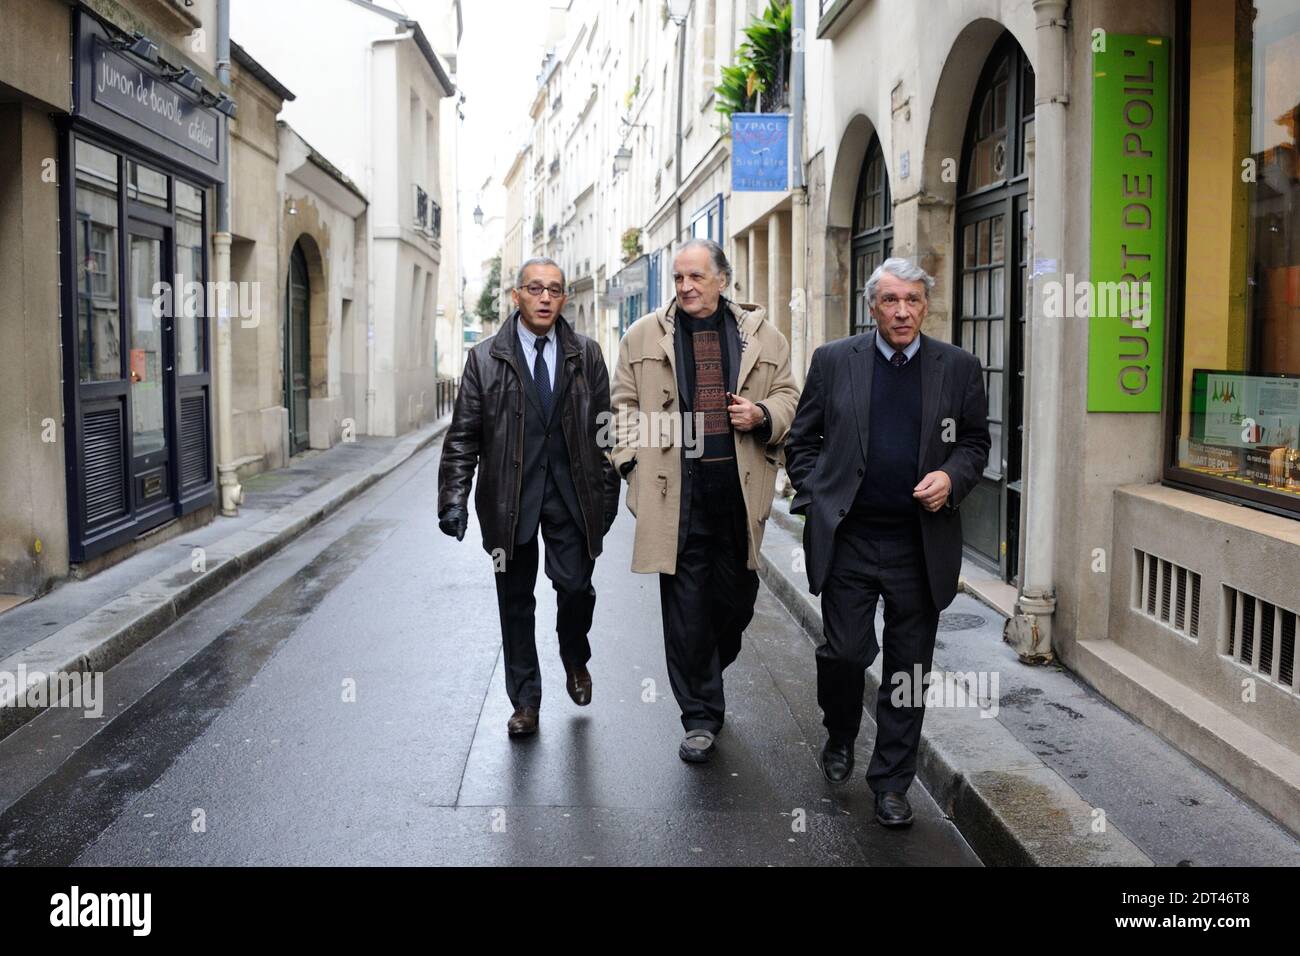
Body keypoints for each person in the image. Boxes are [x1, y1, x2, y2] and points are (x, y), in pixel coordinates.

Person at [785, 257, 990, 827]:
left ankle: (892, 782)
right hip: (850, 538)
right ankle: (841, 729)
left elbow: (974, 444)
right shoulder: (833, 361)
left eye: (913, 301)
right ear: (871, 306)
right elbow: (802, 442)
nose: (903, 311)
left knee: (908, 669)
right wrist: (817, 497)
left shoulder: (958, 367)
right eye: (891, 301)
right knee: (845, 652)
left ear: (926, 306)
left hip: (919, 544)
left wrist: (951, 478)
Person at [609, 238, 800, 763]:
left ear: (723, 280)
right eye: (678, 278)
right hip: (676, 495)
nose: (686, 287)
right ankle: (699, 715)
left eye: (696, 277)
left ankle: (707, 669)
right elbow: (622, 406)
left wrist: (762, 415)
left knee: (734, 604)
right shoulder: (643, 335)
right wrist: (632, 466)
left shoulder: (762, 336)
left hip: (739, 495)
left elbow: (789, 395)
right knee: (686, 609)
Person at [438, 257, 619, 737]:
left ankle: (574, 654)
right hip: (507, 501)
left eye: (554, 290)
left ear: (564, 299)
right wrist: (453, 498)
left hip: (571, 495)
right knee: (515, 600)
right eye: (534, 288)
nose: (544, 298)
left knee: (576, 587)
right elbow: (463, 437)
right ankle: (526, 702)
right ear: (515, 295)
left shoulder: (587, 354)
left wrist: (607, 494)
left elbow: (606, 431)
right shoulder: (483, 359)